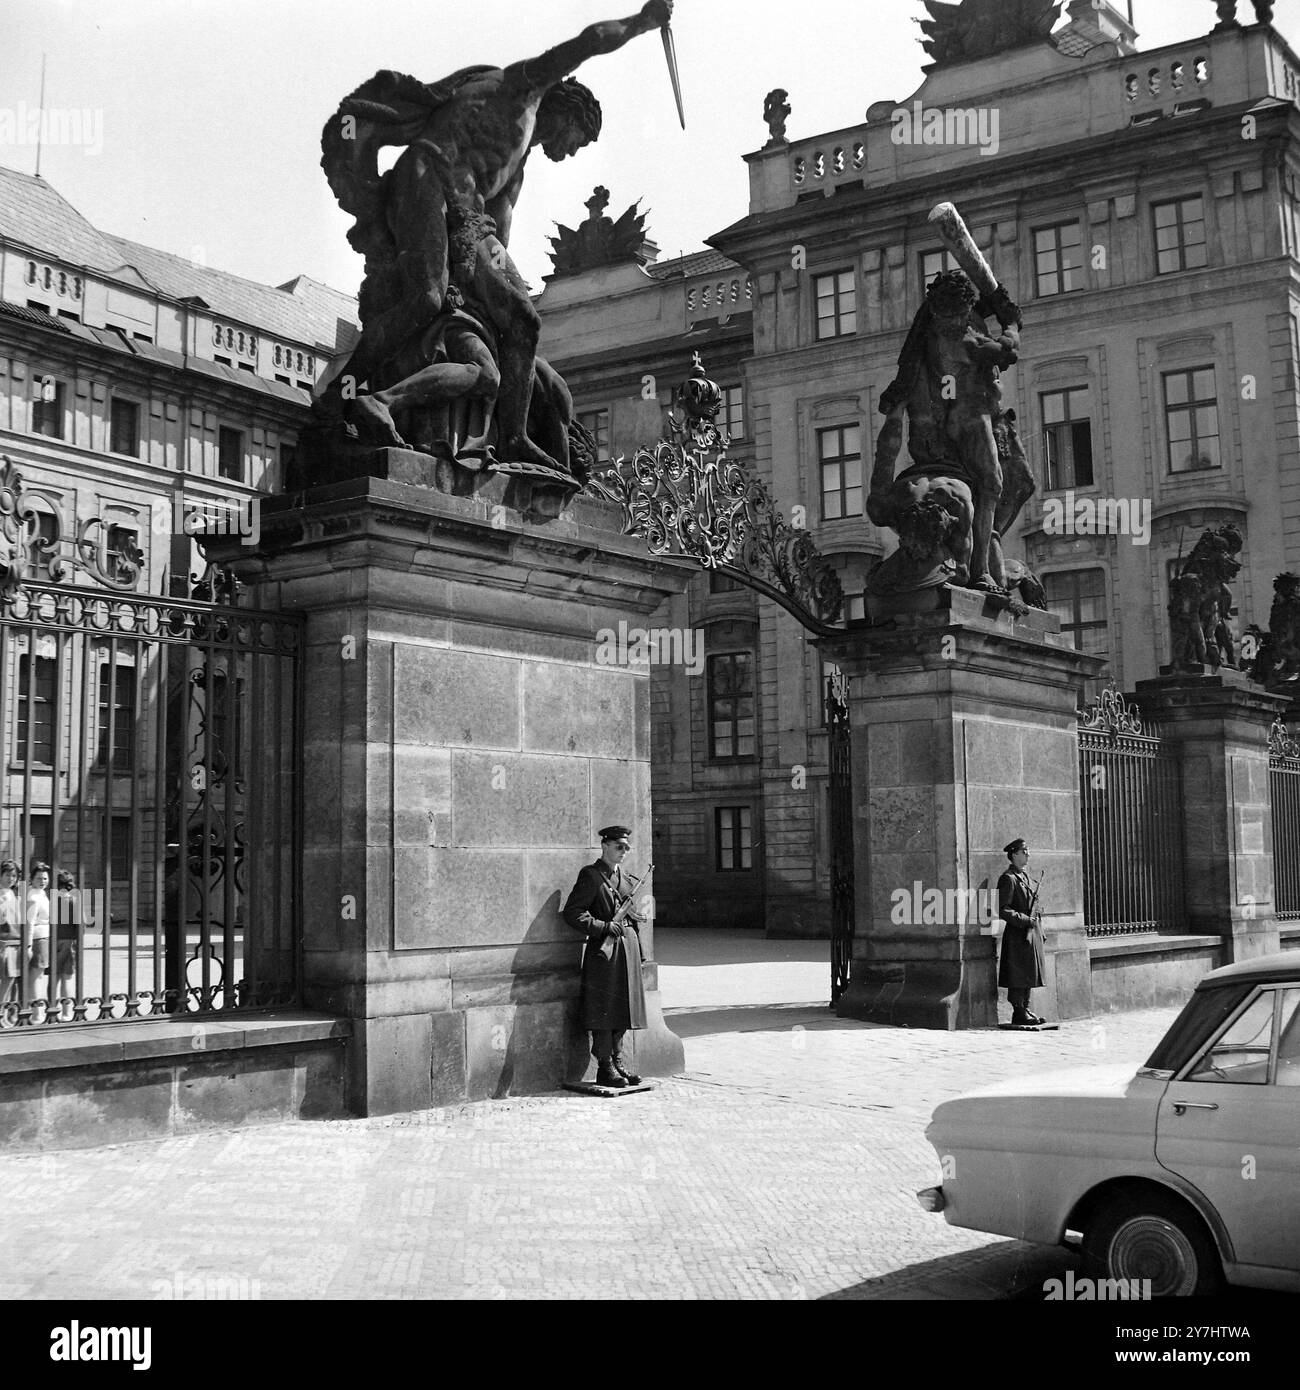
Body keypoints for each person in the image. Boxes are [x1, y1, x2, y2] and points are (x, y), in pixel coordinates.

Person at [319, 0, 673, 469]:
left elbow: (496, 243)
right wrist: (642, 23)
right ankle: (347, 394)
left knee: (523, 319)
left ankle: (514, 436)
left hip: (464, 218)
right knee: (426, 300)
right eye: (577, 140)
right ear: (569, 112)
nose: (569, 153)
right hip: (428, 174)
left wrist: (503, 294)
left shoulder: (518, 167)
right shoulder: (523, 87)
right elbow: (589, 42)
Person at [562, 824, 648, 1087]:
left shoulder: (627, 878)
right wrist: (602, 927)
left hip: (626, 951)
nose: (623, 852)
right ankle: (604, 1065)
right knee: (604, 1008)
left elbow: (632, 918)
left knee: (623, 1008)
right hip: (605, 954)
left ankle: (618, 1061)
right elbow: (573, 912)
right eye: (618, 847)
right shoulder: (591, 876)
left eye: (626, 848)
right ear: (604, 846)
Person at [997, 838, 1046, 1025]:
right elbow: (1002, 909)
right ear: (1014, 855)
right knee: (1018, 973)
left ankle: (1025, 1008)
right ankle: (1018, 1010)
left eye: (1028, 851)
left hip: (1030, 933)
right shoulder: (1008, 879)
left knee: (1029, 972)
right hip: (1017, 934)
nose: (1028, 855)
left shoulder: (1025, 877)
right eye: (1024, 852)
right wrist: (1026, 920)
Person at [53, 871, 80, 1015]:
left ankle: (51, 1010)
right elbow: (80, 925)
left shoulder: (50, 899)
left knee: (54, 979)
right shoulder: (73, 900)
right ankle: (66, 1013)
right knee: (66, 979)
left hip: (51, 941)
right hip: (68, 941)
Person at [25, 860, 52, 1004]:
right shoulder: (34, 896)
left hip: (42, 938)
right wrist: (29, 946)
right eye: (39, 878)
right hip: (38, 939)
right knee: (36, 976)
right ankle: (34, 1012)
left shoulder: (40, 893)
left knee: (37, 975)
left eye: (45, 878)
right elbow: (30, 922)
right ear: (32, 879)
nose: (43, 881)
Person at [0, 859, 21, 1008]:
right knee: (8, 978)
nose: (11, 879)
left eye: (14, 876)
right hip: (4, 942)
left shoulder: (14, 894)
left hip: (15, 942)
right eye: (7, 875)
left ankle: (6, 1011)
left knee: (11, 979)